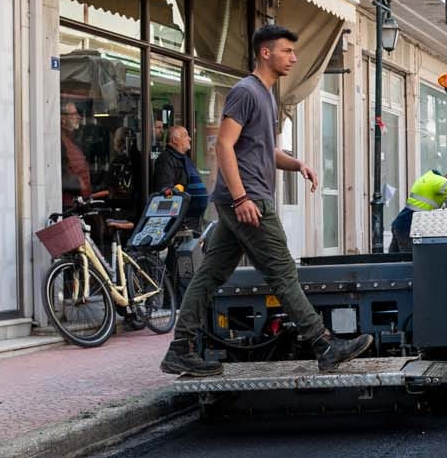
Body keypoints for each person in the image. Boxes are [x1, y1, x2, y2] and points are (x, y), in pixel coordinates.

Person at [159, 24, 373, 377]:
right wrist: (241, 197)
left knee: (210, 273)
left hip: (243, 198)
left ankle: (180, 349)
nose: (294, 58)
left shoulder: (267, 95)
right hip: (248, 200)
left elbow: (263, 149)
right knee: (283, 272)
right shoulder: (246, 91)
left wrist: (297, 164)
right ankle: (324, 344)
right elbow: (223, 145)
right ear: (265, 52)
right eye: (286, 51)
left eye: (293, 51)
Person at [389, 168, 447, 255]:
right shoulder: (438, 181)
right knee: (409, 259)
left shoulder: (430, 180)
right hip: (409, 225)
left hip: (401, 222)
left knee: (393, 260)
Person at [153, 124, 208, 232]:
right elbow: (165, 191)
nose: (190, 139)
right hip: (181, 222)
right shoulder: (166, 159)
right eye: (185, 135)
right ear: (175, 140)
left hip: (194, 221)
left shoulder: (184, 158)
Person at [59, 101, 92, 204]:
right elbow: (62, 174)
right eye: (74, 114)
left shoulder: (71, 141)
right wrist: (79, 184)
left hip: (79, 201)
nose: (79, 117)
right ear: (63, 119)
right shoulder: (60, 142)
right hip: (70, 203)